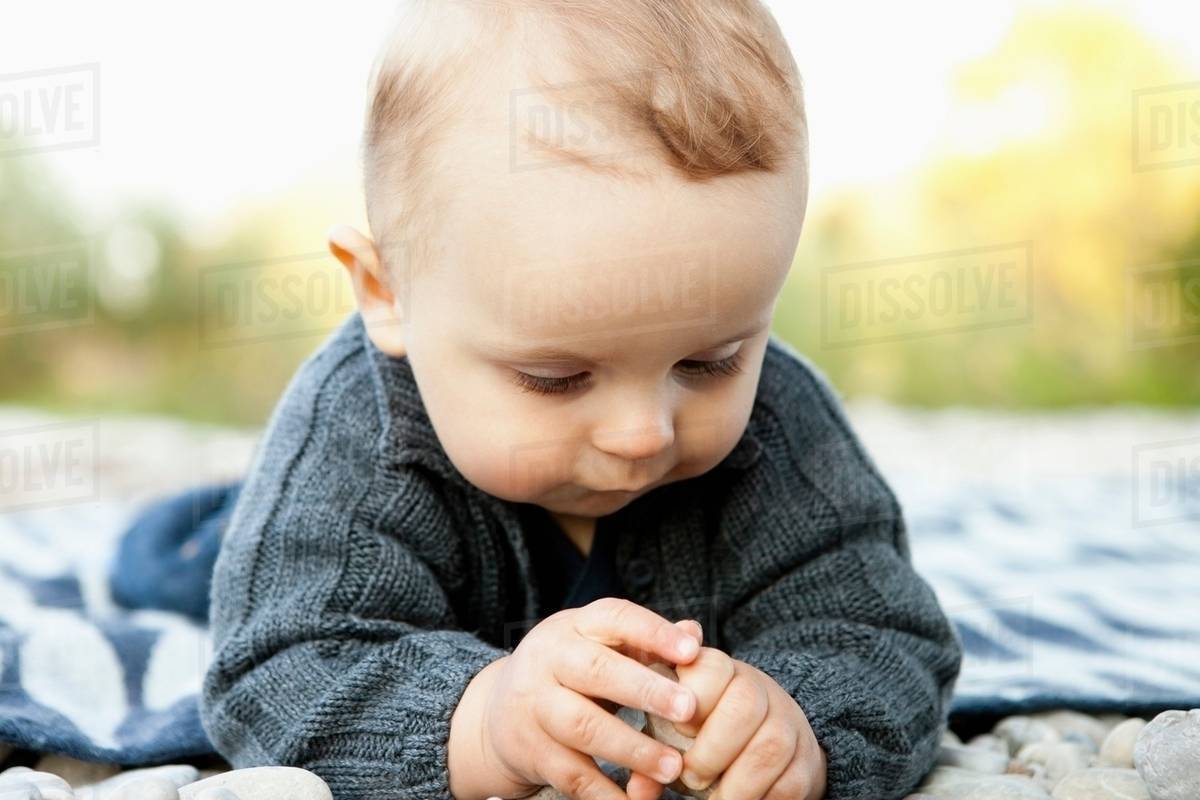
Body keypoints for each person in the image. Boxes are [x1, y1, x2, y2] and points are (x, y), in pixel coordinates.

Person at [180, 2, 963, 798]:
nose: (642, 433)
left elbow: (881, 633)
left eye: (709, 361)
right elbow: (278, 669)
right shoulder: (351, 430)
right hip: (302, 541)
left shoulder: (780, 424)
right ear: (388, 294)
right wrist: (483, 721)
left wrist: (798, 725)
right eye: (555, 378)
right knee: (200, 562)